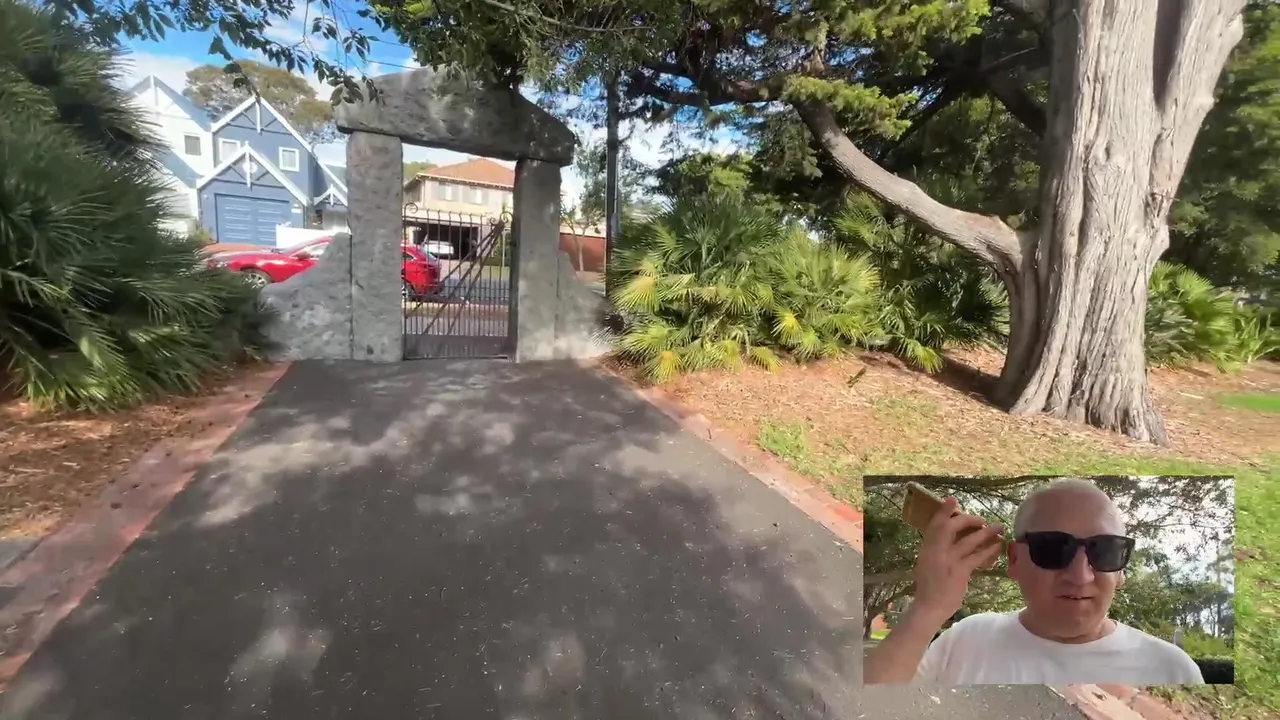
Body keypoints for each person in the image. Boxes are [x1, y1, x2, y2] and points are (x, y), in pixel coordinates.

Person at [864, 478, 1205, 685]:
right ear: (1014, 560)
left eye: (1104, 551)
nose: (1080, 575)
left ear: (1121, 570)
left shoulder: (1172, 670)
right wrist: (928, 608)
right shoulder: (966, 640)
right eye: (1053, 548)